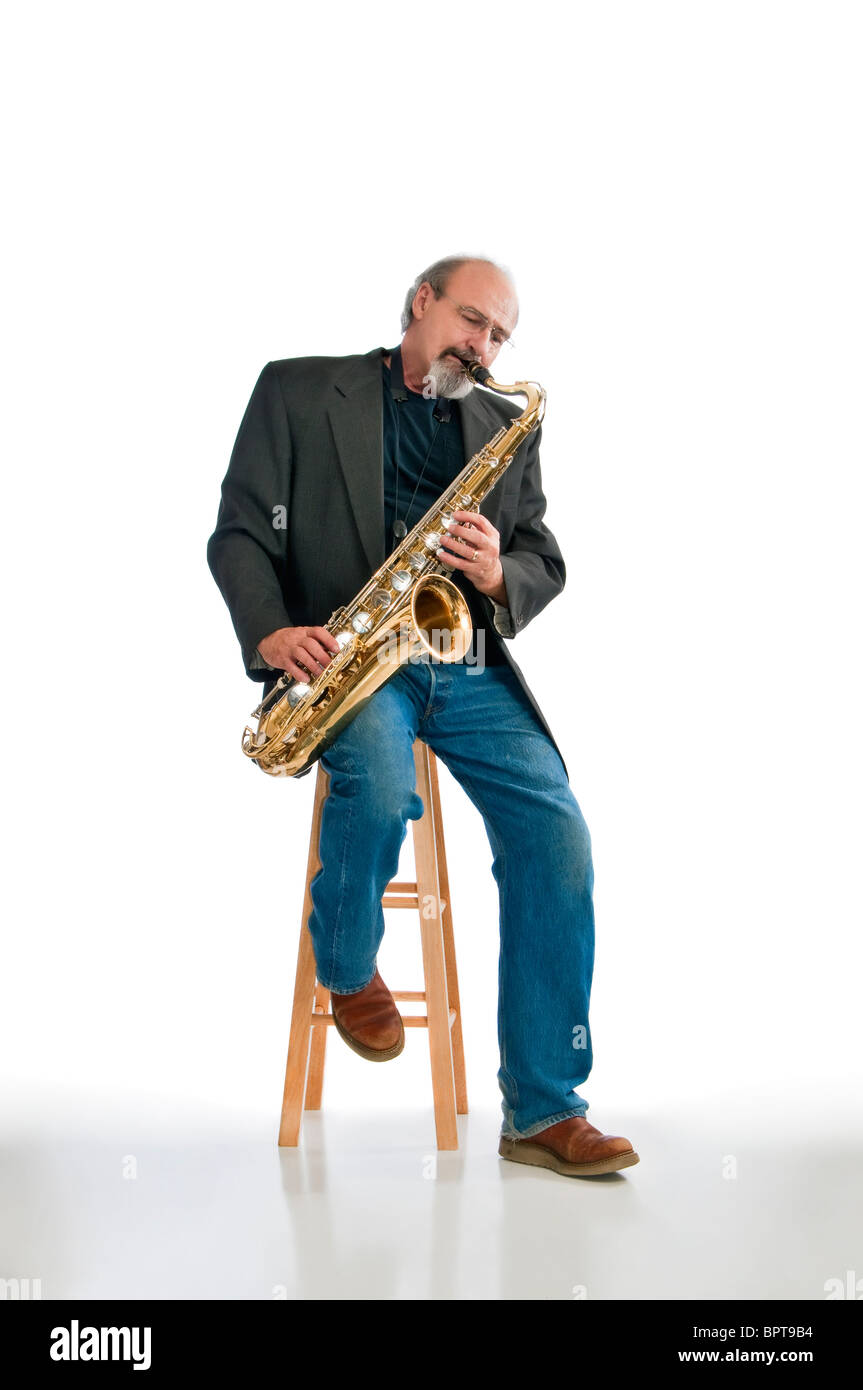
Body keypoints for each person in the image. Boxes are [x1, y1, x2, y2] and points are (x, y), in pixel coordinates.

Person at [207, 254, 639, 1178]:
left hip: (462, 657)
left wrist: (493, 572)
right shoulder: (295, 390)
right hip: (353, 660)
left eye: (499, 336)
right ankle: (350, 962)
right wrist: (272, 633)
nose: (482, 348)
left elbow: (540, 557)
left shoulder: (501, 426)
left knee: (557, 834)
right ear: (421, 302)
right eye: (473, 322)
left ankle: (542, 1111)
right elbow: (239, 528)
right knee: (379, 782)